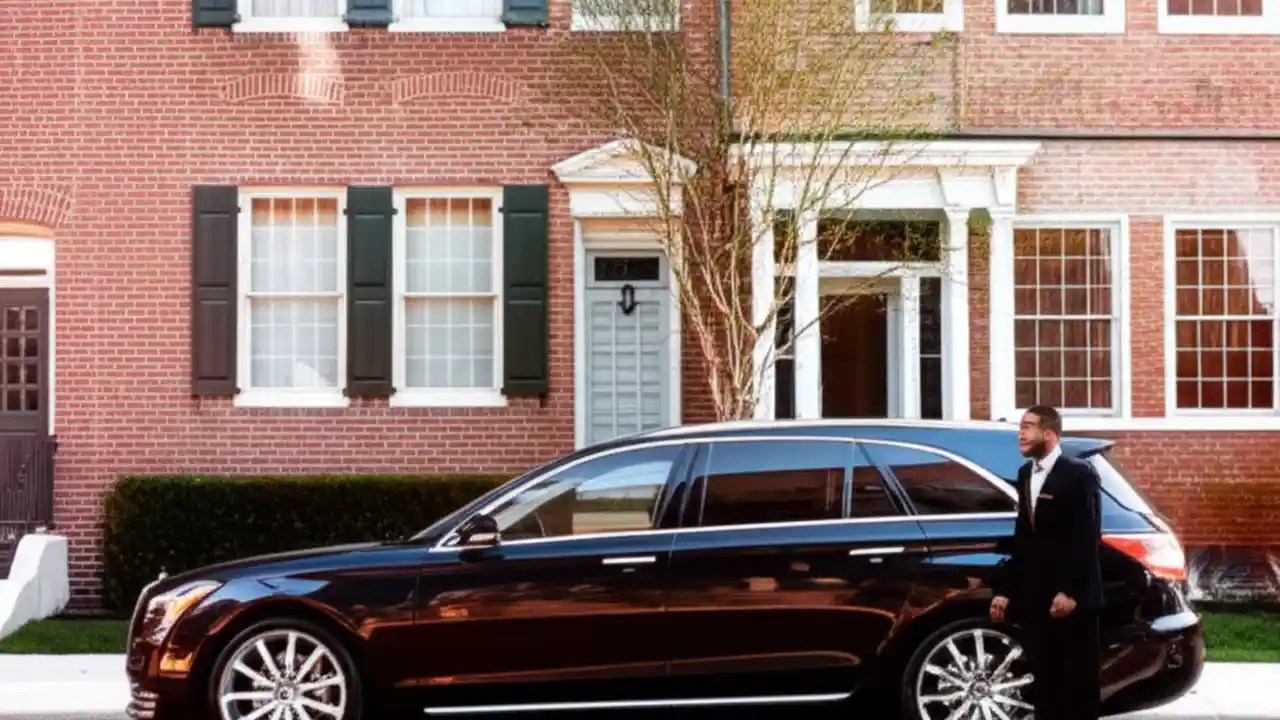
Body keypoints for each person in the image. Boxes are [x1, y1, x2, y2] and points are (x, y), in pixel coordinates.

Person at [990, 405, 1104, 720]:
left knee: (1077, 685)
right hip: (1038, 599)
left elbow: (1086, 537)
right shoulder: (1026, 474)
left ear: (1049, 434)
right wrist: (1006, 589)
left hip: (1073, 601)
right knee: (1046, 683)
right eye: (1020, 427)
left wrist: (1071, 592)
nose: (1020, 434)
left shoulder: (1079, 474)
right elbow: (1024, 538)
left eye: (1027, 427)